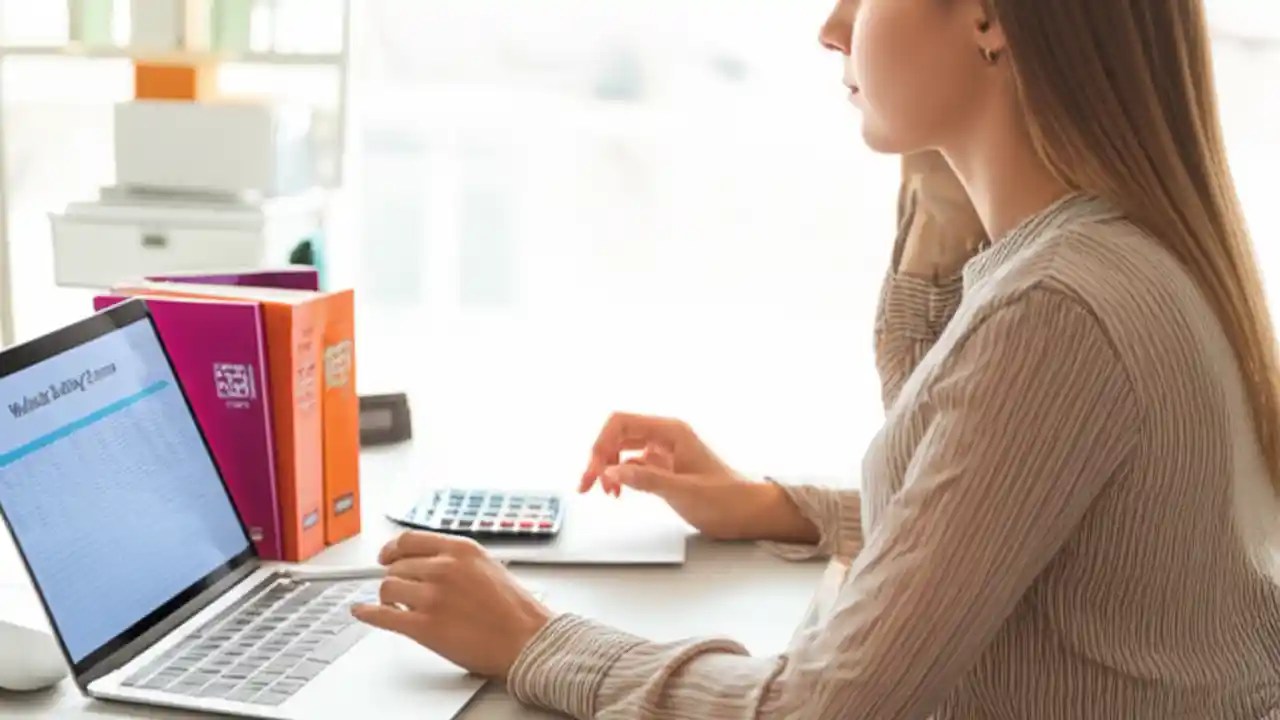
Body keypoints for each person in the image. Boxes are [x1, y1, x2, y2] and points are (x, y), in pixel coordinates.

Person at [352, 0, 1280, 716]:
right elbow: (1023, 520)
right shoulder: (1116, 256)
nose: (832, 28)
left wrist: (534, 638)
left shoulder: (1058, 307)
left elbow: (826, 706)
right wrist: (777, 507)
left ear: (991, 19)